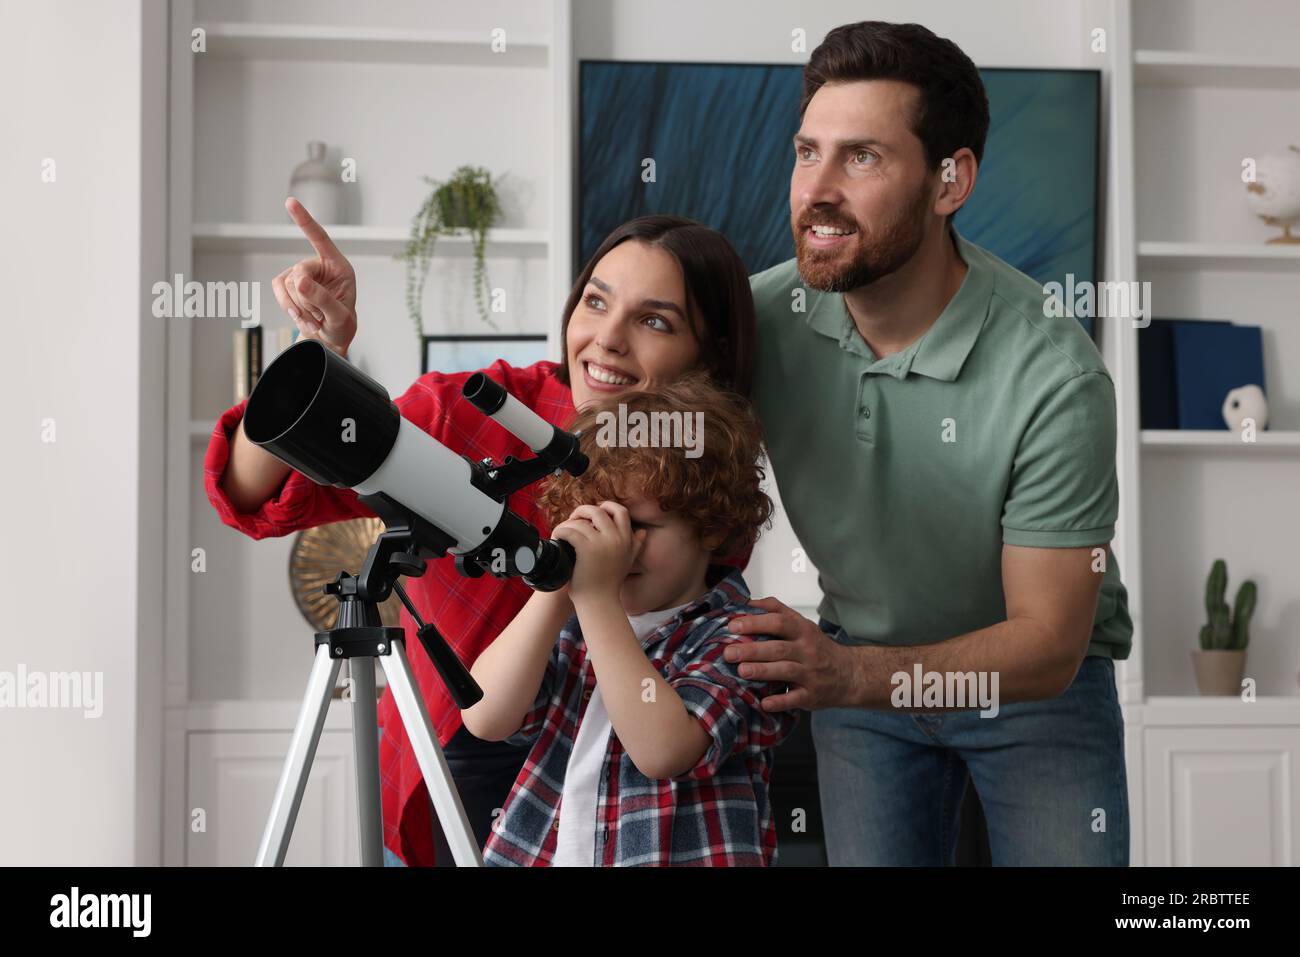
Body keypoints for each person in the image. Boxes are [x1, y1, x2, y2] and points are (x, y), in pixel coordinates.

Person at [203, 201, 758, 865]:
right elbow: (253, 495)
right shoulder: (472, 409)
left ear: (710, 353)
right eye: (596, 302)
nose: (607, 339)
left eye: (654, 321)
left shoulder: (701, 466)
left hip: (619, 801)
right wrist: (319, 356)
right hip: (453, 762)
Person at [724, 20, 1133, 865]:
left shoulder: (1055, 375)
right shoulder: (759, 320)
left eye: (862, 158)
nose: (817, 190)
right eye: (808, 152)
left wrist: (845, 677)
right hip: (864, 682)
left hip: (1032, 686)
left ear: (952, 182)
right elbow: (601, 398)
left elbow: (1049, 640)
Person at [464, 375, 798, 865]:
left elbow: (664, 750)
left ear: (713, 525)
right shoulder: (576, 628)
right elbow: (485, 716)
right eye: (596, 519)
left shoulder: (744, 636)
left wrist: (596, 599)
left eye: (638, 524)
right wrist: (557, 586)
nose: (617, 544)